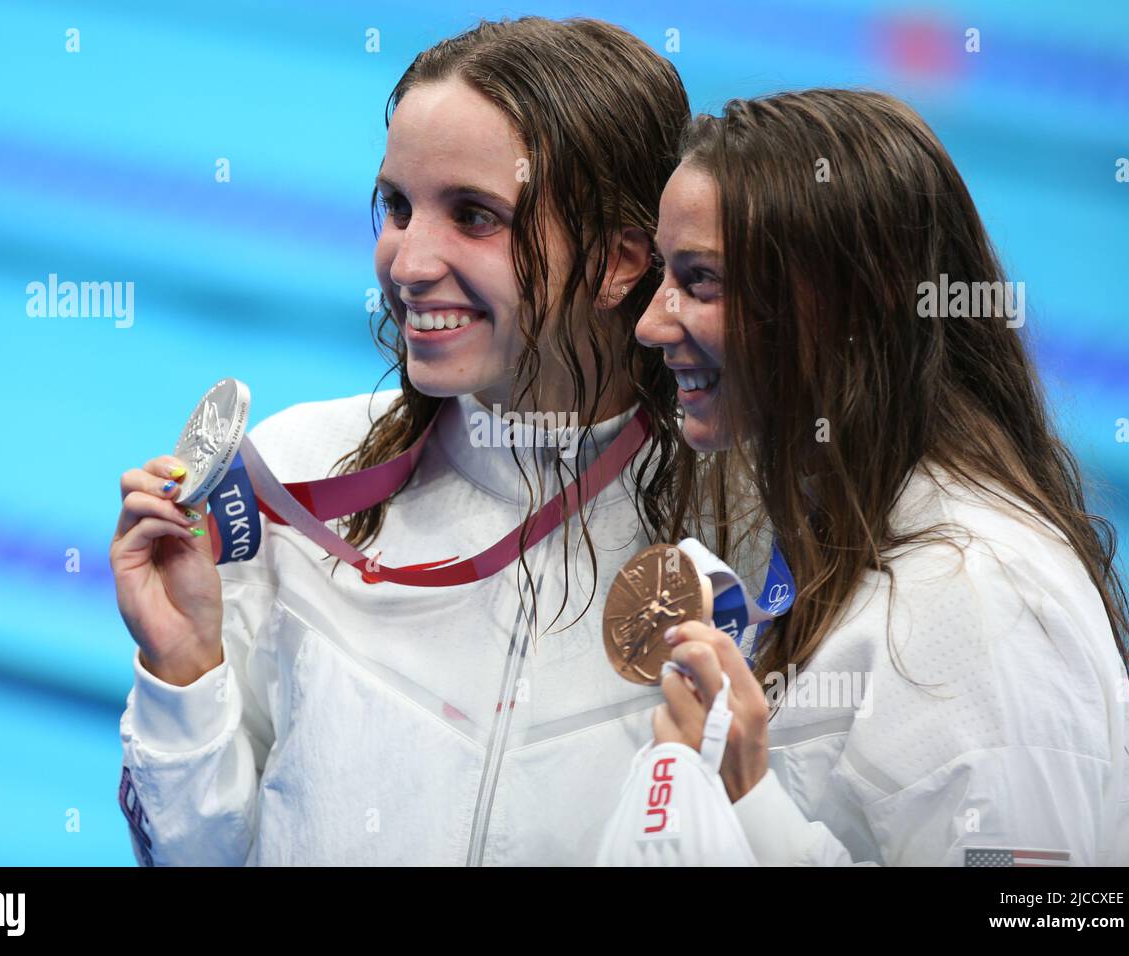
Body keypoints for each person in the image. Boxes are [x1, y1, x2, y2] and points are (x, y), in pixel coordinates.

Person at [109, 17, 709, 865]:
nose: (408, 261)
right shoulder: (292, 477)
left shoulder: (739, 543)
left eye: (474, 216)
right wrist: (182, 670)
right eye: (397, 206)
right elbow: (197, 856)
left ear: (619, 261)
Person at [633, 89, 1129, 865]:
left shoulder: (976, 598)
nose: (651, 321)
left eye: (700, 280)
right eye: (662, 274)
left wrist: (747, 800)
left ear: (844, 306)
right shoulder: (835, 522)